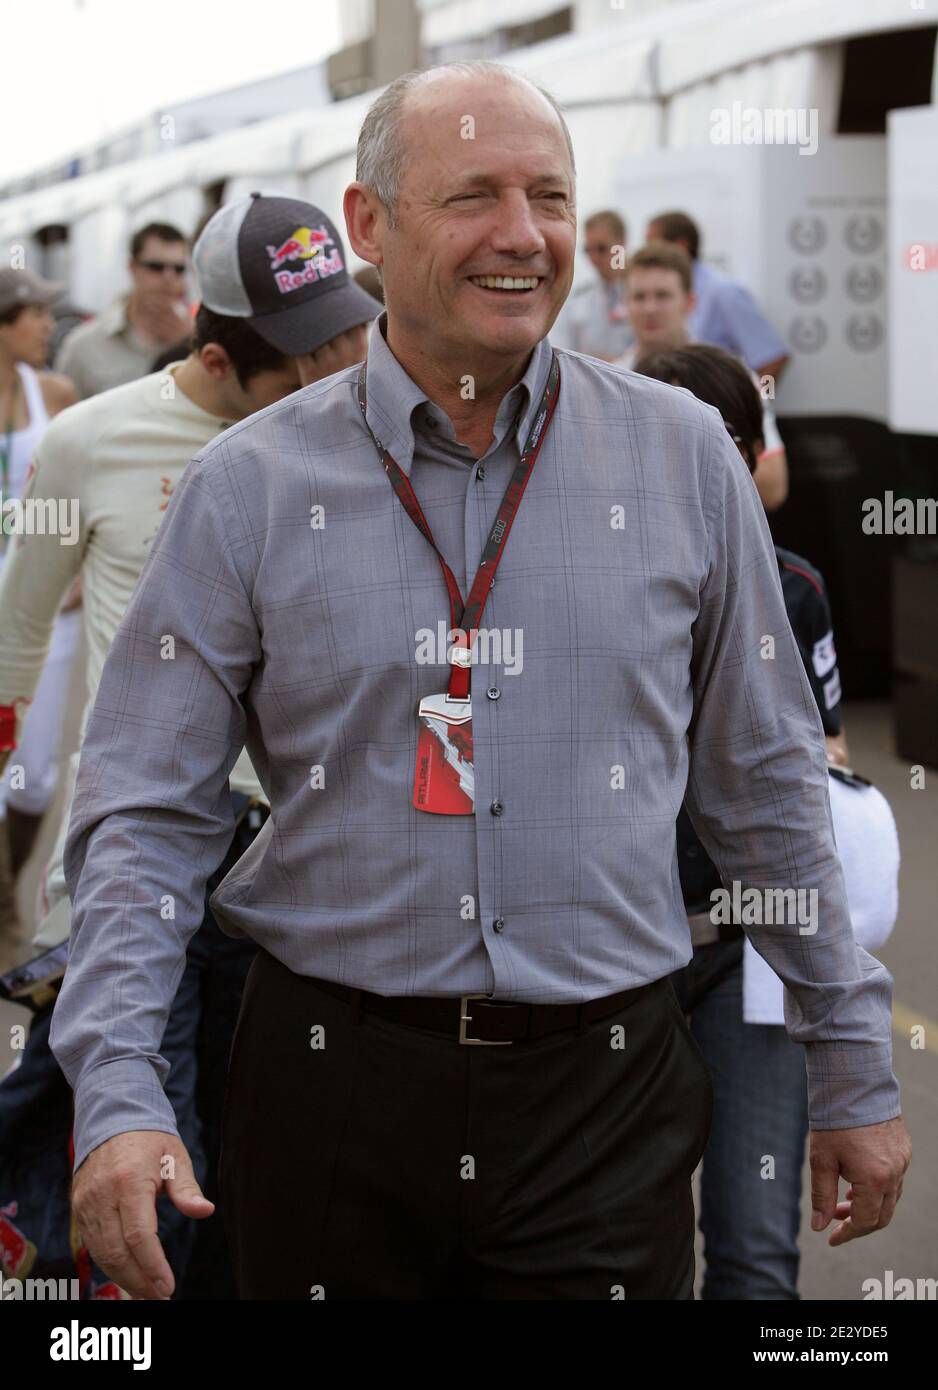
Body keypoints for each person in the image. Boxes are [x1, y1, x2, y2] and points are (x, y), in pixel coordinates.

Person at [50, 61, 908, 1303]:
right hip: (328, 1089)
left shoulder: (679, 458)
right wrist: (119, 1085)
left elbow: (765, 780)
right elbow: (143, 808)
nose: (522, 234)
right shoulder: (248, 487)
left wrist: (848, 1053)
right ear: (368, 224)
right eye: (473, 196)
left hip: (603, 1103)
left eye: (548, 197)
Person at [0, 195, 381, 1298]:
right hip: (149, 855)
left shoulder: (363, 432)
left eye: (345, 334)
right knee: (149, 1167)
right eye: (304, 356)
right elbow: (19, 628)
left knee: (268, 1164)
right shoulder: (88, 441)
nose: (335, 371)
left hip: (299, 863)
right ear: (217, 358)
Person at [634, 342, 899, 1298]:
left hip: (747, 951)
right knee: (622, 1247)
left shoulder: (793, 588)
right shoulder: (581, 589)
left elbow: (822, 760)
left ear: (749, 459)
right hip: (619, 959)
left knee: (753, 1248)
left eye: (711, 447)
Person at [0, 268, 79, 951]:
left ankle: (10, 882)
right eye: (36, 314)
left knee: (32, 781)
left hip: (49, 608)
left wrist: (79, 561)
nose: (49, 326)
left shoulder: (54, 394)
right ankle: (4, 910)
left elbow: (84, 489)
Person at [614, 242, 787, 511]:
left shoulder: (731, 376)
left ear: (690, 302)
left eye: (662, 295)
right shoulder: (609, 382)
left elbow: (772, 485)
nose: (650, 308)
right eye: (639, 297)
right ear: (626, 304)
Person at [646, 210, 789, 383]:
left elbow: (772, 358)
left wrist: (752, 399)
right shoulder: (655, 297)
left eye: (653, 245)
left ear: (681, 247)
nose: (649, 254)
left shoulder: (723, 291)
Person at [54, 223, 193, 399]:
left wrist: (187, 345)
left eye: (179, 269)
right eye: (156, 267)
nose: (168, 277)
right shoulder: (83, 346)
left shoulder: (197, 340)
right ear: (132, 267)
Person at [550, 209, 633, 360]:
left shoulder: (647, 294)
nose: (594, 258)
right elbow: (561, 352)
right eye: (588, 250)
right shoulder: (578, 299)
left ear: (622, 242)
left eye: (601, 249)